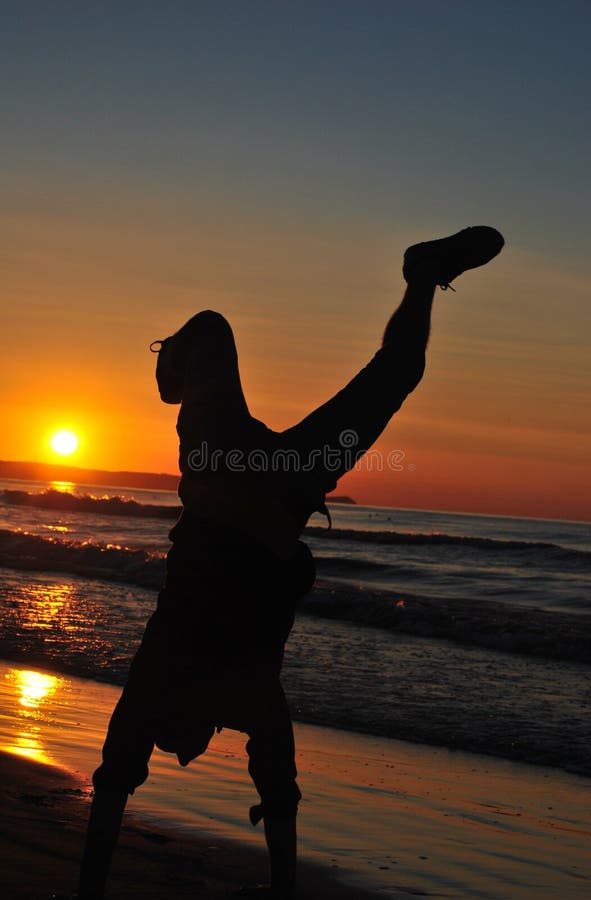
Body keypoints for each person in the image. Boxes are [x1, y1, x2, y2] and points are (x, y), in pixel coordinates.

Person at [67, 225, 504, 900]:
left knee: (218, 338)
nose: (185, 747)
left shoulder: (161, 680)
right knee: (394, 374)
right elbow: (281, 797)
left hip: (243, 477)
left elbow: (114, 782)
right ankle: (424, 275)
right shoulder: (248, 693)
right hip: (287, 478)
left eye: (174, 745)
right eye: (189, 746)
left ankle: (176, 364)